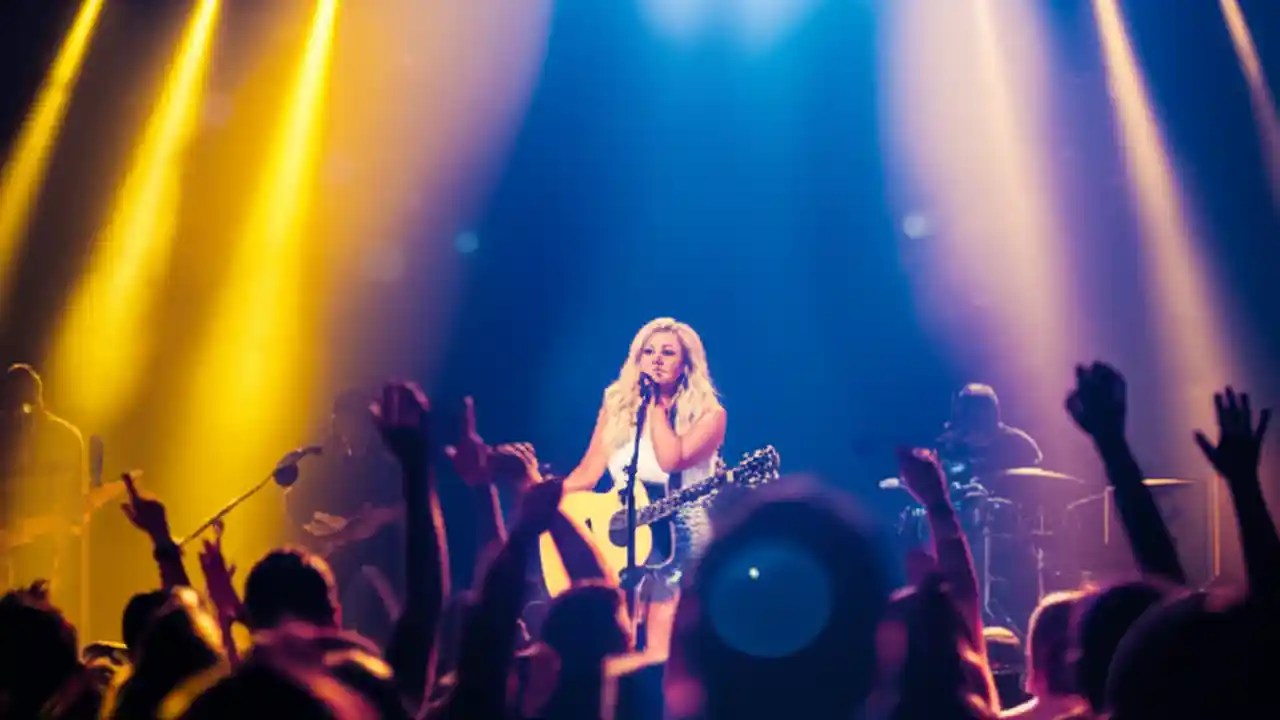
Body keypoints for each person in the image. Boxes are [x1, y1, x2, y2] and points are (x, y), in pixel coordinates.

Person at [560, 317, 728, 659]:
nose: (656, 360)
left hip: (679, 533)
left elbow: (671, 459)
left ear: (686, 364)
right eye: (648, 352)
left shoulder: (710, 415)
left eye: (667, 353)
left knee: (662, 634)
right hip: (624, 526)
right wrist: (541, 492)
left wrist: (655, 407)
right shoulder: (616, 407)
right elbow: (588, 473)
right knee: (614, 627)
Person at [285, 388, 405, 643]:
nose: (346, 430)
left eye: (352, 421)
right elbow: (310, 512)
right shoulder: (336, 466)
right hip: (347, 547)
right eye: (340, 422)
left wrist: (380, 516)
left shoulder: (387, 463)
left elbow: (404, 506)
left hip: (381, 551)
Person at [0, 364, 86, 624]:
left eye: (22, 403)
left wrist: (41, 525)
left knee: (35, 612)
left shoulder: (64, 437)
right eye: (10, 404)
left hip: (43, 543)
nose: (16, 413)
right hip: (7, 541)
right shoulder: (4, 433)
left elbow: (72, 501)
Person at [936, 383, 1042, 479]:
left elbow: (1036, 481)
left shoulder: (1018, 443)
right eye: (969, 408)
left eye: (982, 408)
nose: (977, 414)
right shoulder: (947, 445)